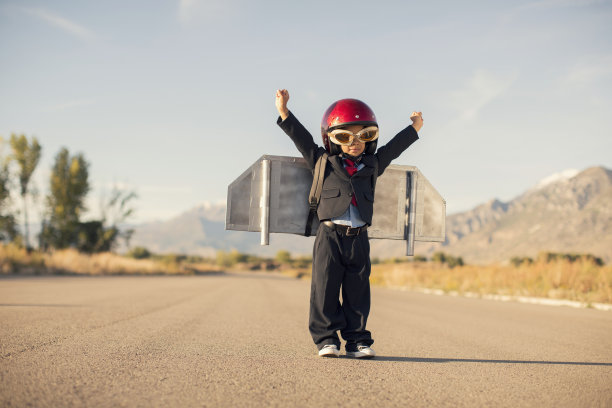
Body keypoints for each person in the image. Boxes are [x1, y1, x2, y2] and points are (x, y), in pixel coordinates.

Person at [275, 89, 423, 358]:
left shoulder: (373, 164)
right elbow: (302, 140)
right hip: (329, 235)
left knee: (358, 291)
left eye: (364, 135)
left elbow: (394, 148)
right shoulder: (323, 161)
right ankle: (326, 339)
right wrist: (284, 112)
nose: (354, 142)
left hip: (359, 237)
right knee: (325, 287)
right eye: (345, 136)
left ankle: (357, 341)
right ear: (332, 138)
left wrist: (414, 129)